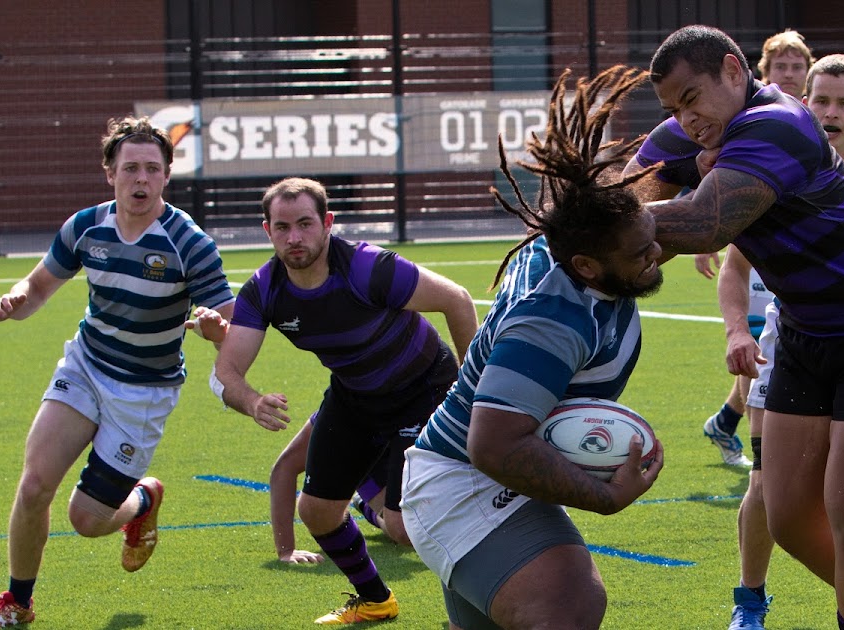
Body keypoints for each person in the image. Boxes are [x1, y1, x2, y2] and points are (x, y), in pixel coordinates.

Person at [630, 25, 844, 630]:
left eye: (692, 98)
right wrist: (590, 210)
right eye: (672, 108)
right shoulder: (694, 130)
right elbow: (623, 192)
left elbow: (703, 225)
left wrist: (598, 223)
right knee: (786, 517)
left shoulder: (776, 124)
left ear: (734, 70)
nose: (686, 119)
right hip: (807, 333)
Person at [400, 65, 665, 630]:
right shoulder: (551, 322)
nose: (657, 254)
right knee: (569, 604)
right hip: (463, 481)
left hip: (484, 473)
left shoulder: (577, 239)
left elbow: (670, 222)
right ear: (587, 265)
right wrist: (606, 498)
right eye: (641, 253)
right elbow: (493, 445)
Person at [0, 116, 235, 630]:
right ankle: (17, 603)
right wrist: (14, 300)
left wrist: (214, 329)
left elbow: (231, 327)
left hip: (143, 391)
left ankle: (143, 499)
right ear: (110, 172)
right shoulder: (86, 226)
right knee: (34, 485)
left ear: (166, 175)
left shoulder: (189, 242)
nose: (141, 179)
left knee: (87, 521)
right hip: (87, 365)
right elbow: (38, 288)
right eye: (130, 168)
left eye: (152, 169)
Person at [212, 177, 478, 624]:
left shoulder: (367, 267)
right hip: (356, 394)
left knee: (403, 527)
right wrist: (252, 401)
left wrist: (472, 390)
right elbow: (227, 370)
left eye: (305, 224)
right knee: (316, 511)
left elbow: (457, 300)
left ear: (328, 223)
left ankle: (492, 583)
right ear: (268, 231)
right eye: (282, 227)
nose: (294, 238)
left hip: (424, 388)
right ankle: (376, 600)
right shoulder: (265, 289)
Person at [695, 29, 814, 469]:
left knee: (769, 354)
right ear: (763, 71)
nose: (790, 73)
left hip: (800, 258)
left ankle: (725, 423)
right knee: (760, 353)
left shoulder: (814, 118)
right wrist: (705, 236)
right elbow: (721, 179)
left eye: (797, 66)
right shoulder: (746, 121)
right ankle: (760, 456)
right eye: (781, 66)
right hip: (755, 256)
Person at [267, 415, 392, 564]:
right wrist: (286, 550)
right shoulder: (344, 409)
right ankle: (367, 505)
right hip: (365, 450)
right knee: (403, 529)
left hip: (405, 447)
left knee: (409, 526)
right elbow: (285, 466)